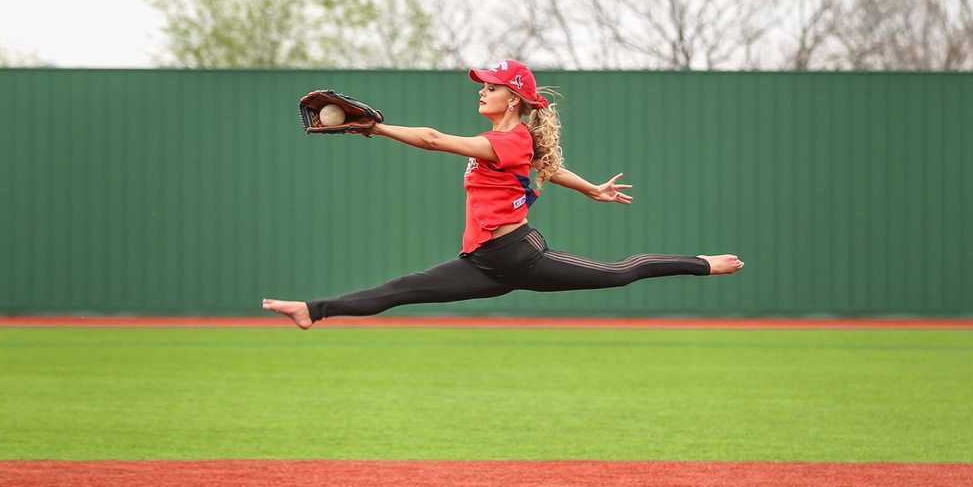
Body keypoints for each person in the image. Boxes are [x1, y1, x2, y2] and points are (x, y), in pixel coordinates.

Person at [263, 60, 743, 329]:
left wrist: (377, 128)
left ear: (512, 98)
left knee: (622, 272)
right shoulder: (515, 144)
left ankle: (703, 263)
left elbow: (433, 139)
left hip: (520, 256)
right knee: (399, 291)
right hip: (482, 262)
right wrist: (591, 189)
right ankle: (313, 310)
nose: (481, 92)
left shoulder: (506, 141)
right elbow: (547, 169)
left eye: (490, 87)